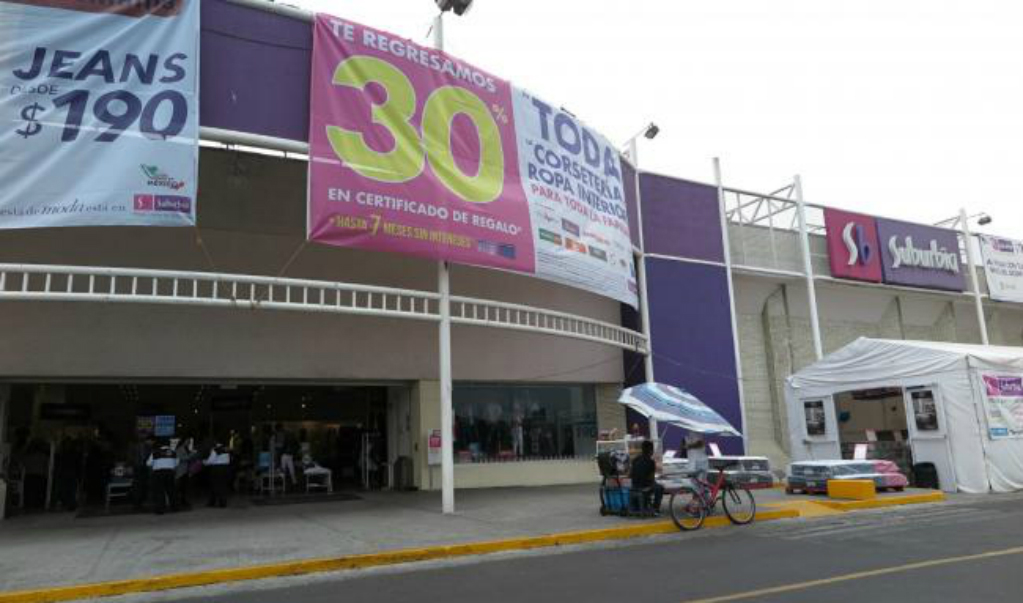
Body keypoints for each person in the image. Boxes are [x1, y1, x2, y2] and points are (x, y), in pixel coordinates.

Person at [629, 440, 664, 514]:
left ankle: (647, 504)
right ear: (651, 451)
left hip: (634, 485)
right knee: (660, 488)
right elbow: (652, 478)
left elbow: (630, 474)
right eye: (652, 450)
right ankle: (655, 508)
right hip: (643, 486)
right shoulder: (651, 462)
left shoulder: (635, 459)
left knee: (653, 485)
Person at [146, 439, 178, 515]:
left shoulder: (155, 452)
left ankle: (160, 509)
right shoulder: (173, 452)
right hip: (170, 472)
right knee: (171, 490)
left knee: (159, 491)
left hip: (159, 473)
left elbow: (148, 463)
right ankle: (174, 507)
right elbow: (176, 463)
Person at [204, 441, 232, 508]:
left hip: (217, 469)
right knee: (223, 486)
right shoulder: (226, 450)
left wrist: (204, 462)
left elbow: (210, 460)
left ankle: (212, 502)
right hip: (225, 468)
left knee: (214, 485)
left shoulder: (215, 450)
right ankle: (223, 502)